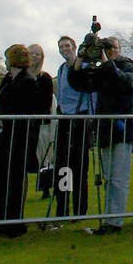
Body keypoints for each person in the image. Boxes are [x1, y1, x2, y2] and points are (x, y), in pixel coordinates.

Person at [68, 36, 133, 234]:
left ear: (119, 49)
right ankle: (109, 218)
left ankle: (115, 220)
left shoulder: (126, 67)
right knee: (108, 177)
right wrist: (81, 57)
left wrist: (106, 62)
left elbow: (124, 82)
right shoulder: (101, 70)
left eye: (112, 48)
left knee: (118, 178)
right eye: (105, 49)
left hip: (123, 128)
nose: (109, 52)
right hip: (106, 128)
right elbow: (80, 83)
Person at [0, 44, 41, 238]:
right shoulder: (9, 79)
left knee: (14, 179)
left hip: (17, 137)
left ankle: (13, 222)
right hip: (2, 135)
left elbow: (23, 109)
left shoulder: (27, 81)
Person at [53, 35, 95, 221]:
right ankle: (62, 208)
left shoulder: (84, 68)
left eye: (67, 46)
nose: (65, 49)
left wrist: (91, 118)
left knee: (80, 167)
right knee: (63, 167)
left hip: (81, 119)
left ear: (74, 47)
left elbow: (92, 94)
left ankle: (80, 210)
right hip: (64, 119)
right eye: (61, 46)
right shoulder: (61, 69)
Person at [25, 43, 54, 198]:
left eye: (38, 54)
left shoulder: (45, 78)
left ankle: (45, 188)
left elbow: (46, 101)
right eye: (32, 53)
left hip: (41, 122)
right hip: (24, 123)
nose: (34, 56)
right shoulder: (20, 75)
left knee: (45, 155)